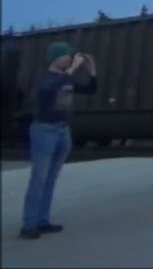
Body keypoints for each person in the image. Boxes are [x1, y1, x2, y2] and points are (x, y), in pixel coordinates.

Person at [19, 42, 98, 240]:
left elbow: (90, 90)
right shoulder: (44, 77)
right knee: (39, 179)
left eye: (71, 57)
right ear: (56, 58)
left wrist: (92, 71)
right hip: (44, 130)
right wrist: (71, 70)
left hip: (63, 131)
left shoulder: (68, 78)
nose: (71, 60)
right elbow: (50, 88)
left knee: (50, 179)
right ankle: (28, 225)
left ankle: (42, 221)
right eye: (67, 57)